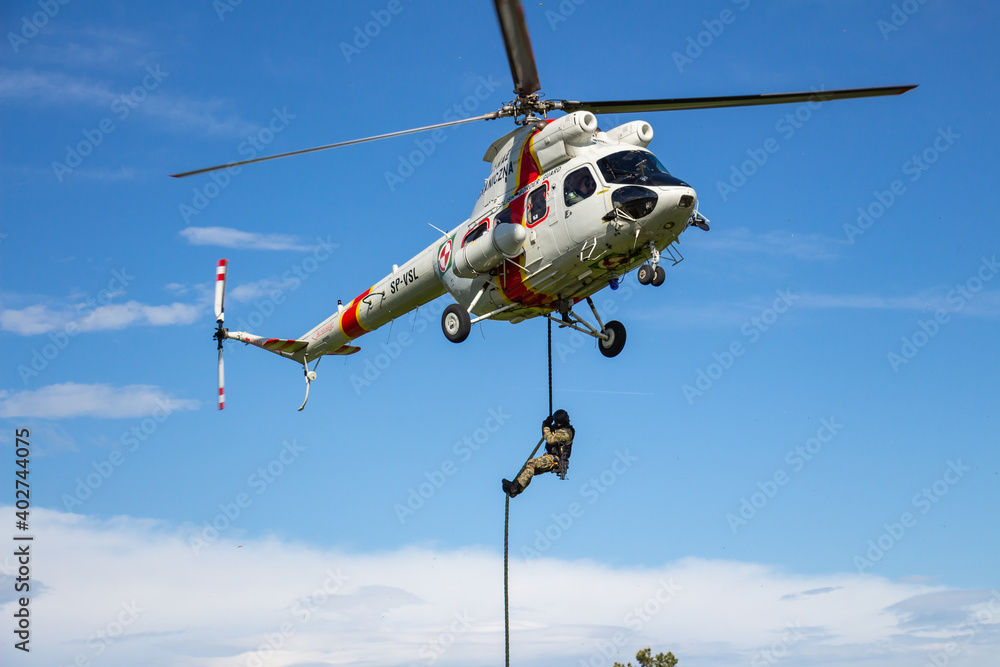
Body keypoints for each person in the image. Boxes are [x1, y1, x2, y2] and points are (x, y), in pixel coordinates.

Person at [502, 409, 574, 498]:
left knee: (531, 463)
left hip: (556, 459)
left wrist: (547, 427)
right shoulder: (558, 428)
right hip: (552, 458)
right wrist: (546, 423)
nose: (557, 424)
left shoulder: (566, 432)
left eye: (559, 423)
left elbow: (550, 439)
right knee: (529, 470)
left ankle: (515, 488)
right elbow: (545, 434)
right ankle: (517, 489)